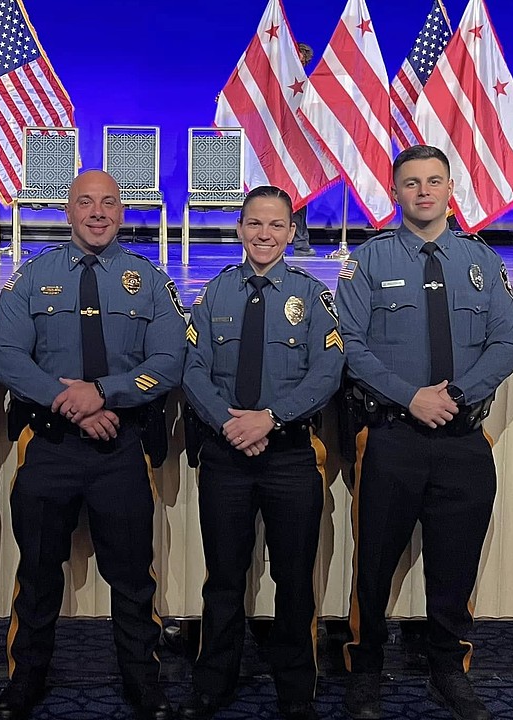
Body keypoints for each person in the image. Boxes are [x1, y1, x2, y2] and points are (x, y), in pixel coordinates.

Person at [335, 145, 513, 720]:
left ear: (450, 190)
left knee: (455, 563)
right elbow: (350, 345)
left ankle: (449, 669)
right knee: (373, 565)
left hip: (462, 439)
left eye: (434, 181)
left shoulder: (482, 261)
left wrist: (456, 396)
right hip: (392, 437)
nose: (423, 191)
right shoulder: (368, 261)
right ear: (396, 192)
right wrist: (410, 396)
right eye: (412, 182)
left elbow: (507, 344)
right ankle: (365, 670)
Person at [0, 170, 186, 720]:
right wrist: (69, 402)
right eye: (85, 202)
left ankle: (143, 681)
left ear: (121, 212)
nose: (97, 213)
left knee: (132, 577)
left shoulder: (150, 281)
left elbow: (169, 360)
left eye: (108, 203)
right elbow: (6, 356)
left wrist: (103, 393)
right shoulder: (33, 277)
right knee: (36, 574)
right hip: (50, 445)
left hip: (121, 447)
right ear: (67, 210)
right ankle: (25, 680)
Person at [178, 186, 343, 720]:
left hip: (289, 455)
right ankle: (213, 681)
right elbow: (192, 368)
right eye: (254, 223)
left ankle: (295, 688)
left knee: (293, 578)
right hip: (226, 454)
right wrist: (230, 423)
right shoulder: (214, 294)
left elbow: (328, 371)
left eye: (275, 225)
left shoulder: (312, 297)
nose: (264, 234)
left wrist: (271, 418)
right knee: (224, 577)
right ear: (240, 229)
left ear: (291, 232)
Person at [292, 42, 317, 257]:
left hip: (299, 149)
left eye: (300, 61)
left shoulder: (308, 88)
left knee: (299, 195)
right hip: (275, 149)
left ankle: (300, 243)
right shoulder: (272, 84)